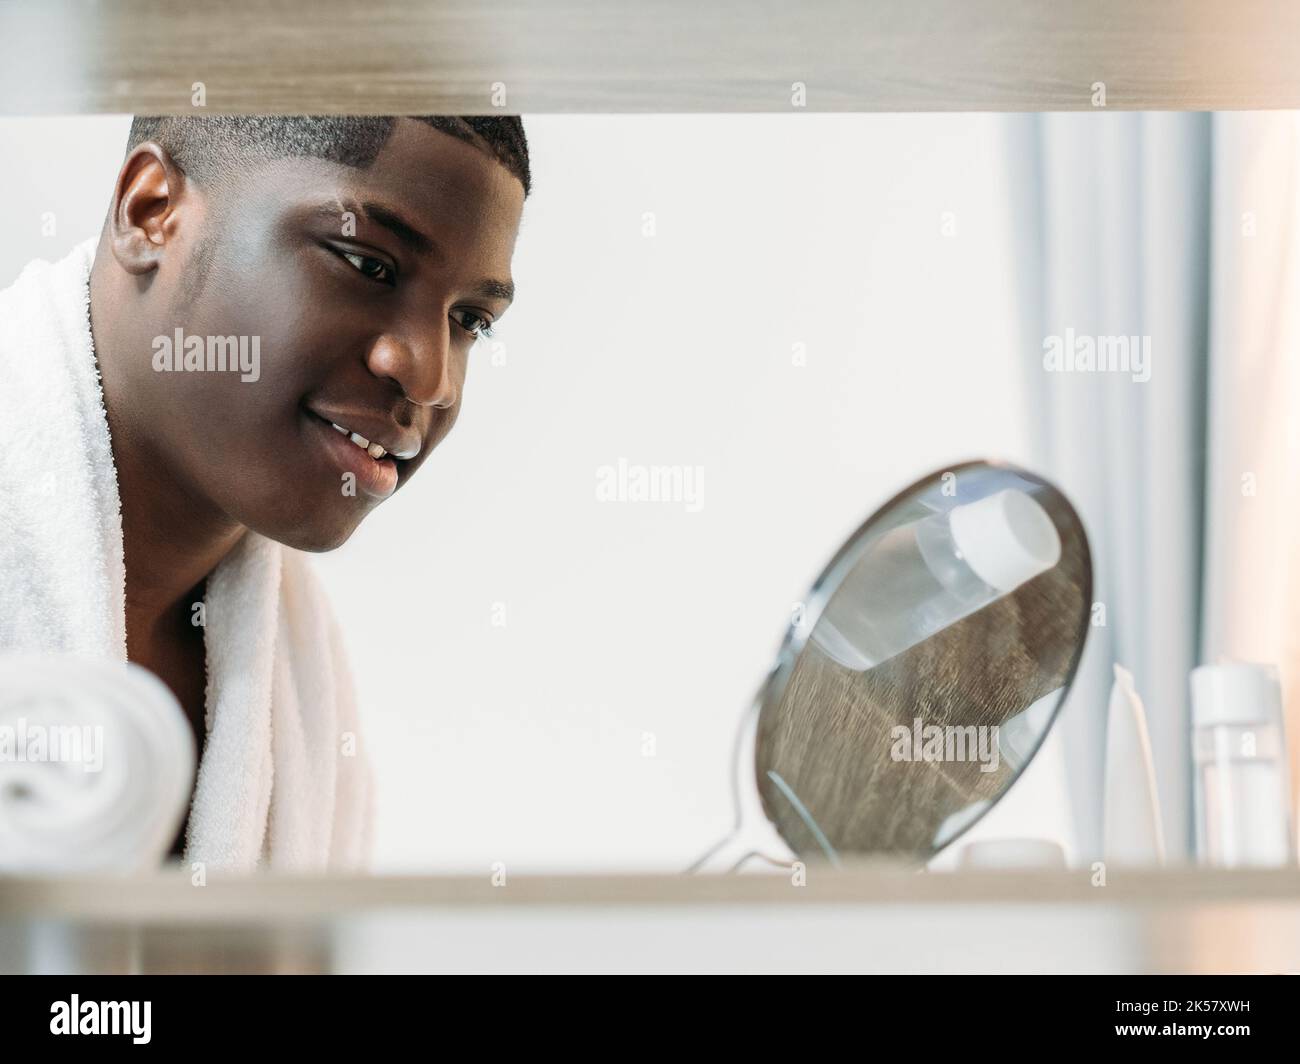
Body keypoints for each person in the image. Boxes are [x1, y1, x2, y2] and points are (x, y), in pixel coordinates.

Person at [0, 115, 529, 870]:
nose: (428, 376)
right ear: (151, 212)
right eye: (367, 264)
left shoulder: (302, 679)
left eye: (470, 320)